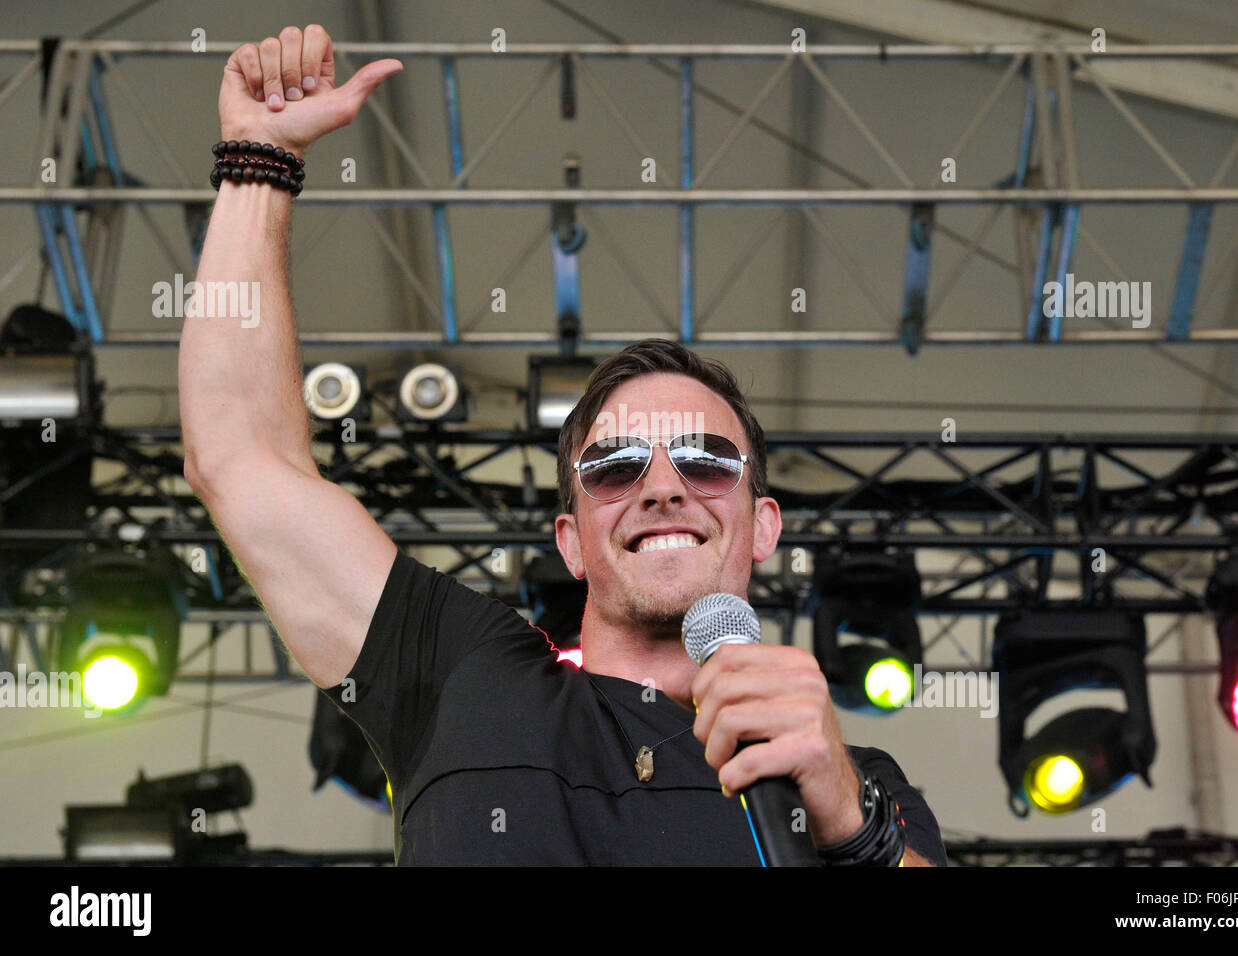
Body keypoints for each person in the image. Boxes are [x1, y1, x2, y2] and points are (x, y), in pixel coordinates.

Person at [180, 24, 946, 866]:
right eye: (616, 468)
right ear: (571, 539)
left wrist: (851, 820)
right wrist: (258, 161)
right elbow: (242, 459)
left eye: (704, 460)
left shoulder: (858, 782)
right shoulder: (463, 676)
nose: (663, 487)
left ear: (765, 523)